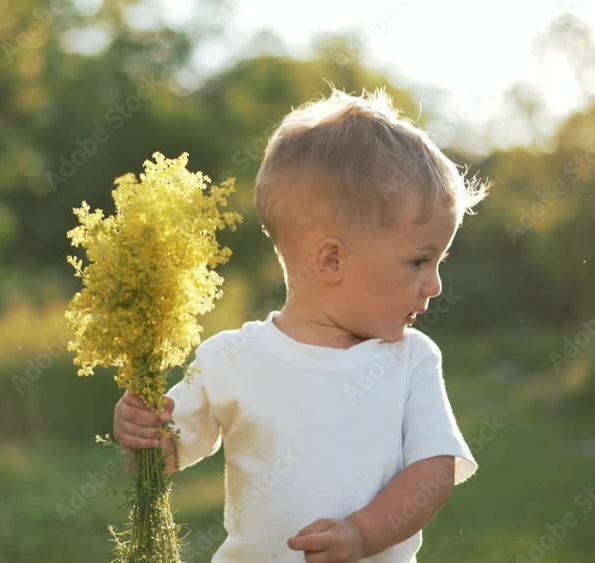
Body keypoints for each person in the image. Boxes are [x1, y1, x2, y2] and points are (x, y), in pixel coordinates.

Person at [113, 87, 490, 563]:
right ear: (331, 259)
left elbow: (433, 473)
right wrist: (139, 430)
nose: (434, 284)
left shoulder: (411, 360)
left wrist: (361, 535)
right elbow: (164, 455)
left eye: (438, 261)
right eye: (419, 261)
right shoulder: (229, 359)